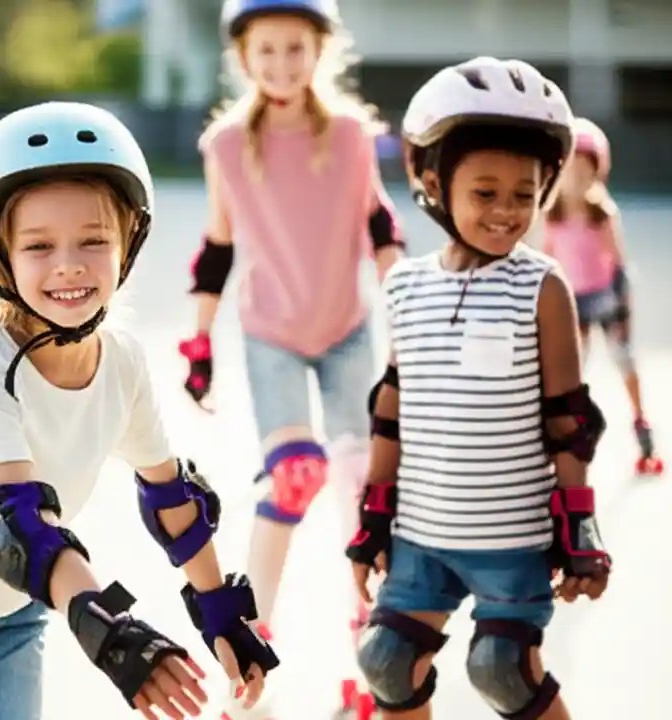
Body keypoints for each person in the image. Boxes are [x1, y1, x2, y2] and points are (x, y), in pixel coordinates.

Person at [0, 101, 279, 720]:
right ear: (2, 256)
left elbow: (171, 499)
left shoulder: (123, 363)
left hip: (17, 611)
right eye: (39, 246)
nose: (68, 264)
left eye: (93, 241)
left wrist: (218, 612)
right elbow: (20, 528)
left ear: (129, 244)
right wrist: (111, 630)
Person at [346, 56, 613, 720]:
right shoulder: (405, 286)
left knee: (503, 671)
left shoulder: (543, 286)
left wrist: (579, 524)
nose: (506, 212)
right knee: (386, 660)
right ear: (433, 183)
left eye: (524, 195)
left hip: (511, 538)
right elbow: (391, 410)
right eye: (485, 193)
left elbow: (568, 418)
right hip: (420, 536)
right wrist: (373, 514)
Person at [182, 1, 405, 716]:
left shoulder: (348, 134)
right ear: (244, 57)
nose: (281, 64)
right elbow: (217, 246)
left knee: (354, 488)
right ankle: (252, 651)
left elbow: (380, 222)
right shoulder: (225, 145)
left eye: (296, 49)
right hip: (271, 329)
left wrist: (406, 310)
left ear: (321, 51)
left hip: (347, 328)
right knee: (294, 477)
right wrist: (199, 341)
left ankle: (367, 659)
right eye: (267, 50)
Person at [542, 117, 662, 475]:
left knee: (624, 360)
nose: (577, 178)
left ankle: (642, 427)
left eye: (585, 169)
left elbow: (620, 264)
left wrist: (624, 310)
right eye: (571, 170)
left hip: (606, 298)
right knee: (571, 372)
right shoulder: (553, 214)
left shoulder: (602, 213)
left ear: (598, 172)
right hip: (573, 303)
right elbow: (547, 263)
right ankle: (569, 433)